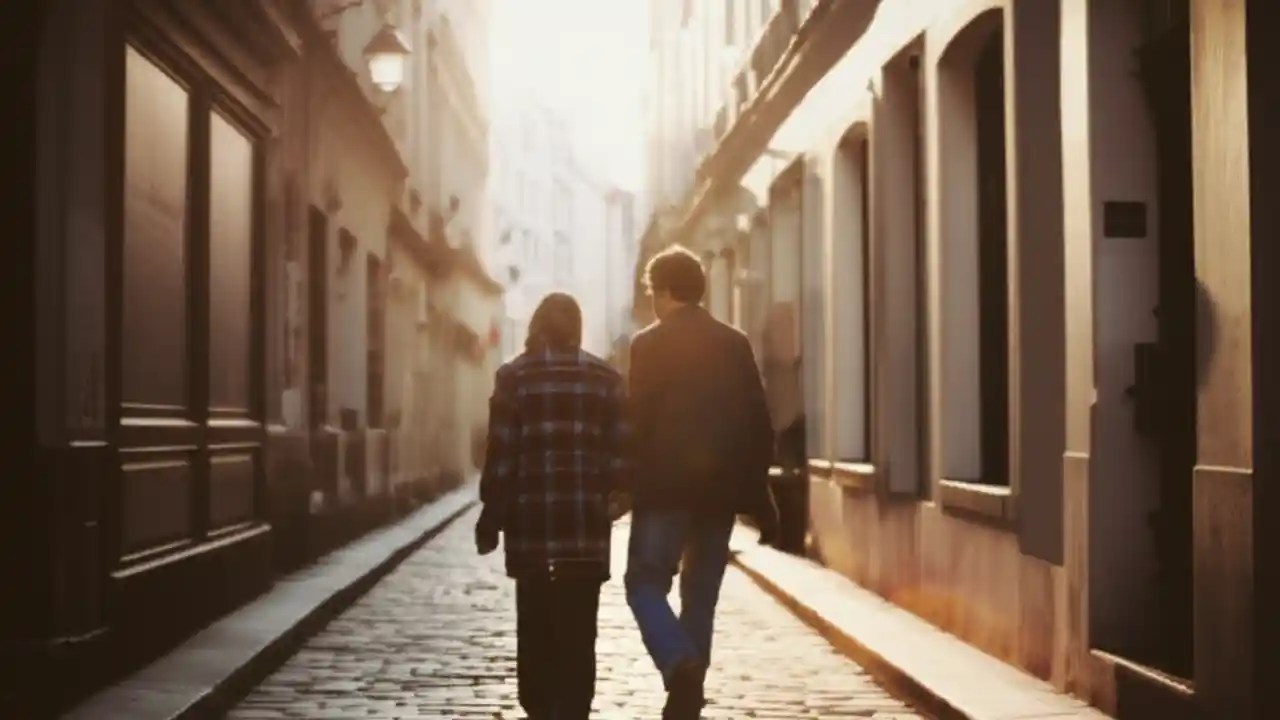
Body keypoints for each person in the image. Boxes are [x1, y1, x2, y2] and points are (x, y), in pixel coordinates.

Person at [624, 245, 780, 719]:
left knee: (645, 582)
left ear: (666, 292)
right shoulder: (734, 343)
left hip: (664, 491)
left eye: (653, 291)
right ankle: (687, 692)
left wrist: (624, 483)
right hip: (718, 496)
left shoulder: (649, 344)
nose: (651, 299)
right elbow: (759, 422)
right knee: (701, 592)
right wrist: (758, 493)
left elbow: (638, 422)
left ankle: (678, 662)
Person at [475, 293, 629, 720]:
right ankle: (573, 709)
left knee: (536, 626)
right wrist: (614, 496)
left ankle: (539, 707)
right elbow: (621, 456)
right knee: (580, 632)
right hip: (584, 532)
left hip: (532, 532)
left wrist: (492, 515)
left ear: (536, 326)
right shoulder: (606, 379)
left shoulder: (513, 377)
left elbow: (501, 454)